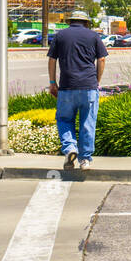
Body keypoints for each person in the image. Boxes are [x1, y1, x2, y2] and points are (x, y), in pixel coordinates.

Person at [47, 10, 107, 170]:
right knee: (88, 122)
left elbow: (52, 59)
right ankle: (85, 160)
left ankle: (70, 149)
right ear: (86, 22)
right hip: (89, 86)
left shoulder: (60, 36)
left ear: (70, 21)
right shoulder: (94, 36)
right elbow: (101, 59)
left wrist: (53, 82)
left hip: (67, 86)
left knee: (64, 119)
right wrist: (97, 81)